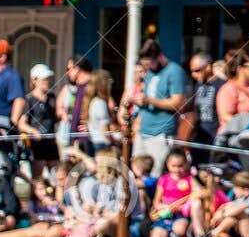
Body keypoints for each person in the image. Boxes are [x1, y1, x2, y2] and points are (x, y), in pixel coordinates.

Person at [127, 39, 187, 174]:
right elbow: (147, 99)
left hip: (161, 133)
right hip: (143, 131)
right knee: (137, 172)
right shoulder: (150, 73)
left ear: (159, 57)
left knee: (155, 175)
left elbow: (177, 102)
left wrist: (149, 100)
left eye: (150, 64)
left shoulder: (174, 71)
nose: (148, 68)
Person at [147, 147, 202, 237]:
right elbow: (156, 201)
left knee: (179, 229)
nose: (177, 169)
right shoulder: (163, 179)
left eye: (180, 166)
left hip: (181, 216)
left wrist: (182, 206)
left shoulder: (189, 179)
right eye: (174, 166)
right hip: (165, 215)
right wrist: (163, 207)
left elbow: (200, 192)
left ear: (186, 164)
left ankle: (179, 236)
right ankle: (170, 236)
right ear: (167, 164)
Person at [18, 64, 59, 169]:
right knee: (38, 175)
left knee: (56, 172)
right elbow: (22, 124)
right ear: (34, 80)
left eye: (48, 79)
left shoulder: (51, 97)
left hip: (51, 142)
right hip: (37, 144)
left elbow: (55, 117)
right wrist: (33, 131)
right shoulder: (29, 99)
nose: (47, 81)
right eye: (43, 79)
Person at [216, 49, 249, 137]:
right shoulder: (228, 89)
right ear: (240, 68)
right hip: (231, 138)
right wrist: (248, 126)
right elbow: (225, 116)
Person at [187, 53, 222, 163]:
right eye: (191, 71)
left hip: (215, 137)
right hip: (199, 136)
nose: (193, 75)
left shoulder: (222, 85)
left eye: (197, 70)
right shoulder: (198, 85)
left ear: (208, 67)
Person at [84, 69, 117, 154]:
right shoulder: (100, 103)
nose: (111, 85)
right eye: (109, 81)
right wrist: (113, 143)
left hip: (95, 143)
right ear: (103, 84)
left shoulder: (93, 101)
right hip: (101, 145)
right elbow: (105, 130)